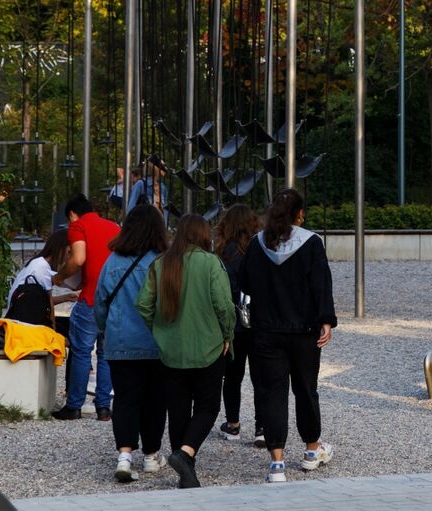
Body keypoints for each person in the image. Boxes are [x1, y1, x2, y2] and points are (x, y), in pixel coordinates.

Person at [239, 189, 336, 483]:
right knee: (306, 389)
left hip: (266, 332)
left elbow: (244, 284)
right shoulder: (311, 243)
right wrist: (326, 321)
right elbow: (321, 284)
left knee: (273, 393)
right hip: (304, 332)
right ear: (300, 214)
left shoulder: (258, 244)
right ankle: (310, 450)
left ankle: (277, 462)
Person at [137, 213, 235, 489]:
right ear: (204, 234)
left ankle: (186, 470)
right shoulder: (211, 262)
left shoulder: (161, 264)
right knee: (208, 406)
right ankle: (186, 453)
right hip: (209, 346)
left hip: (171, 350)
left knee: (178, 408)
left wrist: (159, 331)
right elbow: (224, 306)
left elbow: (143, 304)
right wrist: (227, 333)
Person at [95, 205, 170, 483]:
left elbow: (100, 302)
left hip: (120, 341)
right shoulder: (162, 261)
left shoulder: (112, 261)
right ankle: (151, 456)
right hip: (156, 343)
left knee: (125, 399)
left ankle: (124, 456)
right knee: (155, 400)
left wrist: (106, 331)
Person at [53, 194, 118, 421]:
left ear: (72, 214)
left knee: (81, 352)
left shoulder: (78, 226)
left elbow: (79, 258)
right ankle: (103, 407)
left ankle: (74, 406)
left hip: (91, 299)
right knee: (106, 354)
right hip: (114, 302)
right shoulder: (114, 227)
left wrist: (60, 276)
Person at [214, 203, 262, 446]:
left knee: (232, 376)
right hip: (258, 320)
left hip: (232, 322)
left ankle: (233, 424)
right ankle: (262, 427)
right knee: (260, 376)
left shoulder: (222, 253)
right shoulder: (260, 249)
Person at [5, 229, 72, 326]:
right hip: (24, 321)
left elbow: (41, 300)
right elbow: (49, 306)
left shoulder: (39, 262)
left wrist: (66, 297)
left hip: (21, 316)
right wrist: (53, 333)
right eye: (69, 252)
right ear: (61, 248)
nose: (69, 256)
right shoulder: (42, 268)